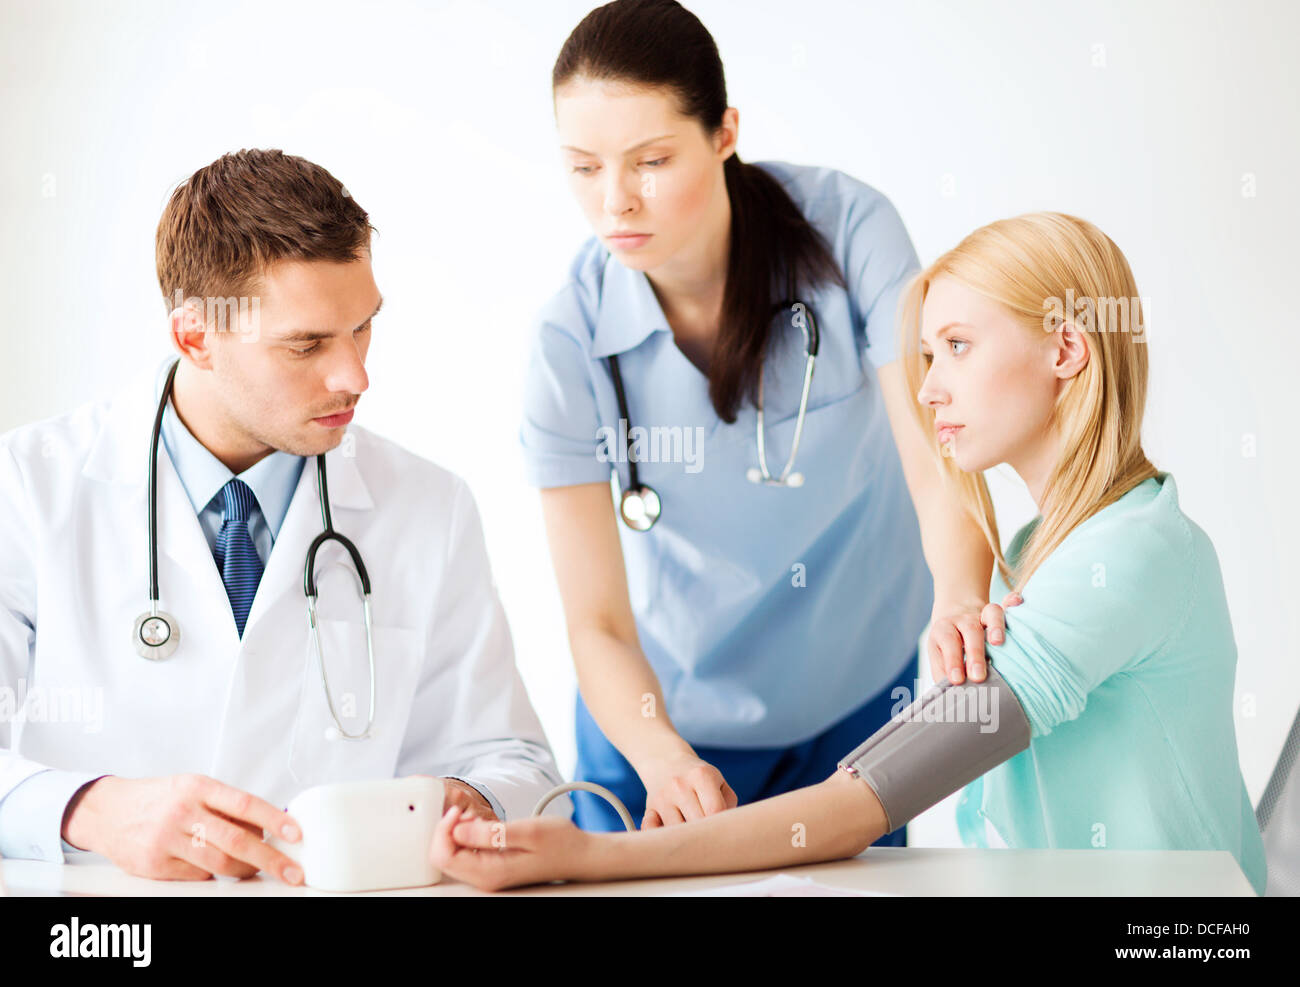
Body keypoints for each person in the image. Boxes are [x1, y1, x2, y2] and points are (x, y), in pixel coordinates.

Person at [434, 212, 1269, 896]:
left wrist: (587, 856)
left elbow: (864, 801)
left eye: (958, 346)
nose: (929, 385)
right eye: (929, 353)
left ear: (1065, 350)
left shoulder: (1126, 558)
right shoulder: (1039, 554)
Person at [0, 149, 568, 884]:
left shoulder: (430, 508)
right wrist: (89, 809)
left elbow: (521, 765)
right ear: (194, 336)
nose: (356, 376)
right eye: (306, 344)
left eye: (363, 327)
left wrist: (472, 798)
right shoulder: (27, 487)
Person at [521, 0, 1008, 836]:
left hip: (856, 700)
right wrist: (664, 757)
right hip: (660, 722)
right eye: (583, 167)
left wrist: (961, 597)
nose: (615, 203)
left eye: (651, 160)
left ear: (723, 132)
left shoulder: (850, 230)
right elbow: (595, 620)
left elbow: (938, 458)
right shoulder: (570, 343)